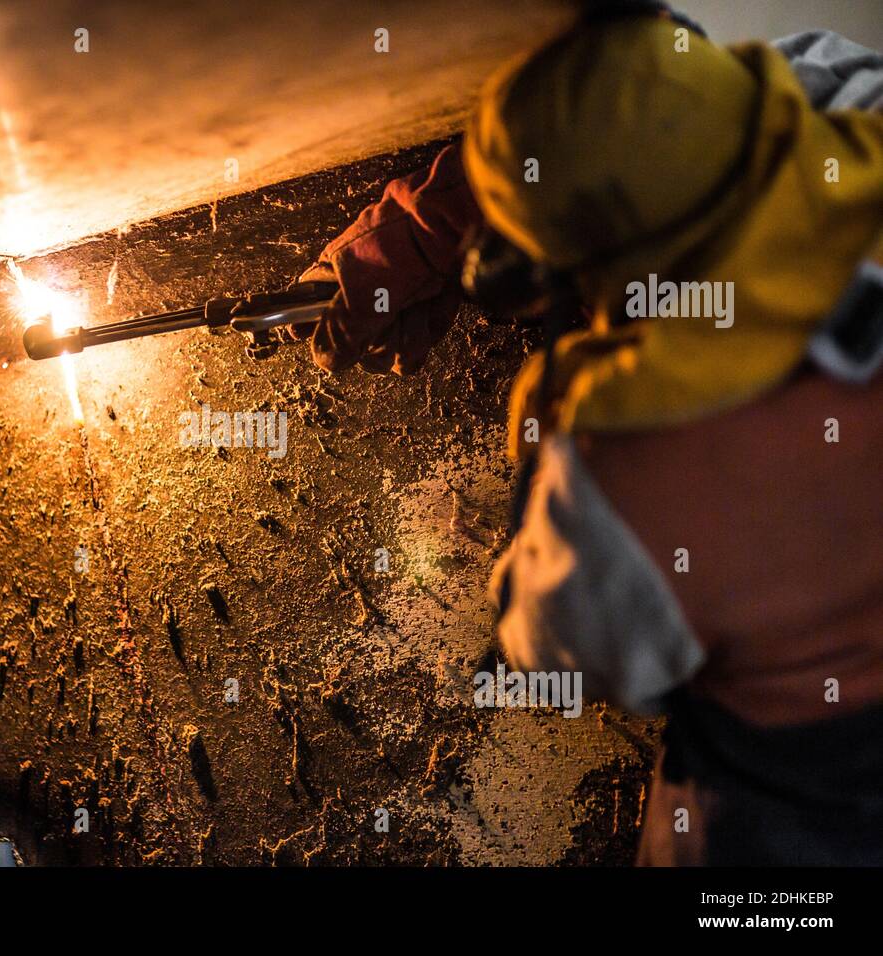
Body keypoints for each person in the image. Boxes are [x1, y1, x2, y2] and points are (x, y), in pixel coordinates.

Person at [293, 4, 883, 864]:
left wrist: (548, 441)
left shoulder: (634, 477)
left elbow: (552, 651)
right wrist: (443, 217)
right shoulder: (853, 111)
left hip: (814, 816)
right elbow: (664, 107)